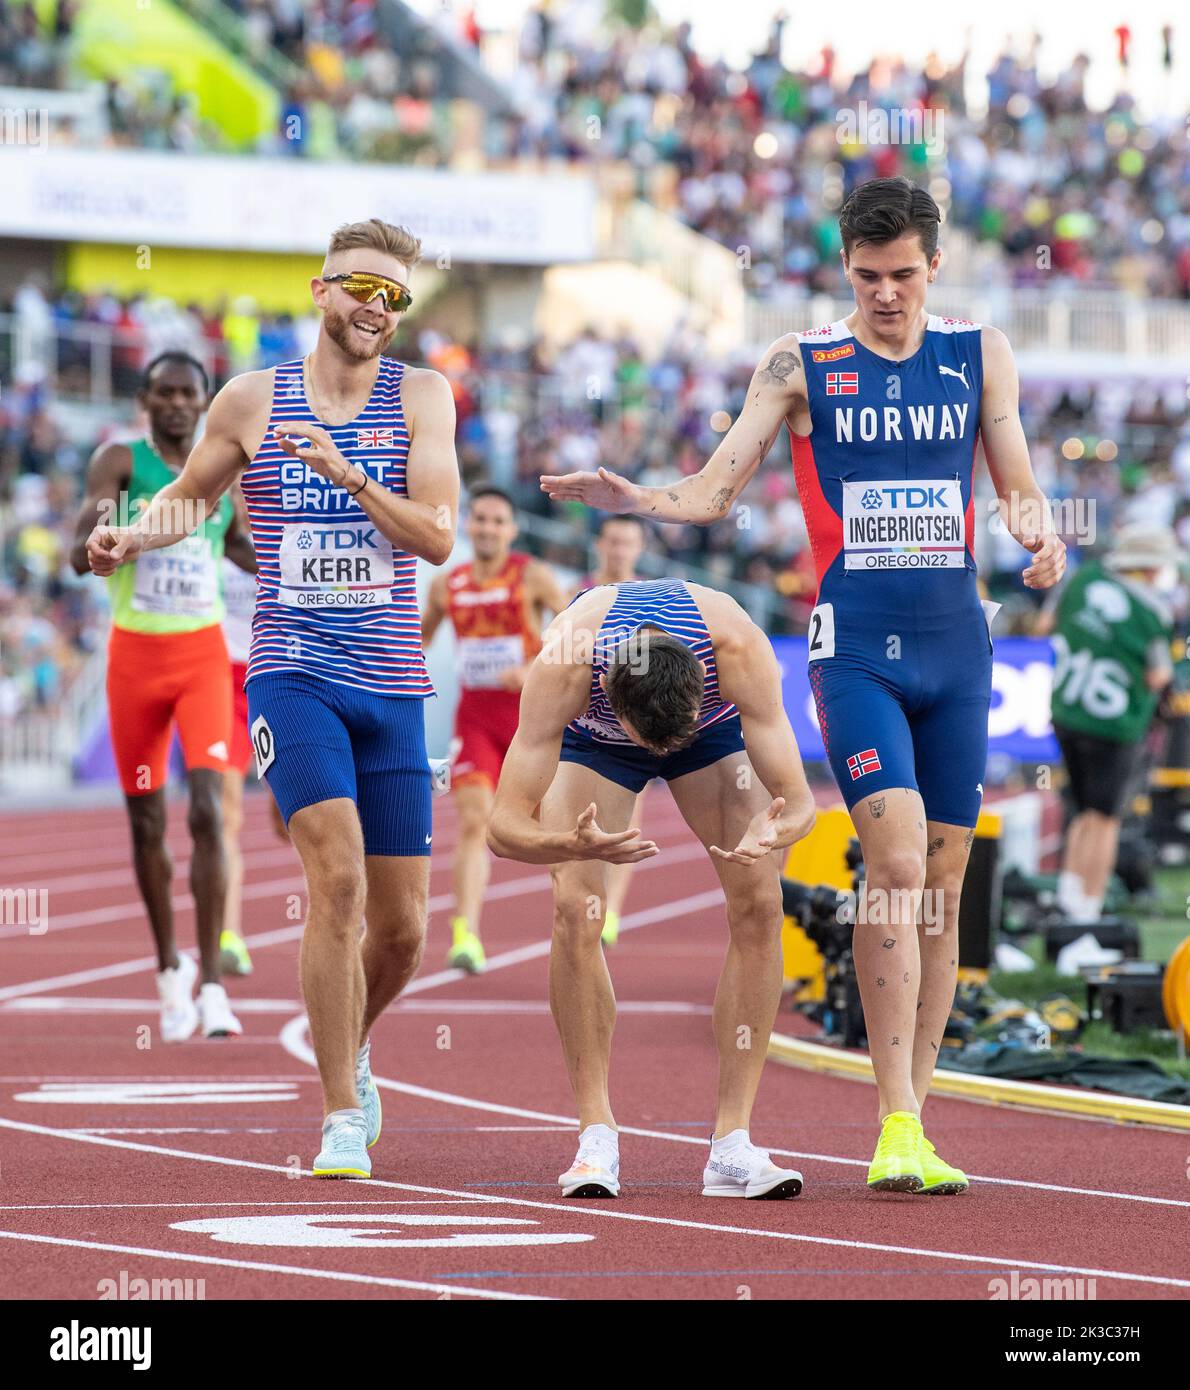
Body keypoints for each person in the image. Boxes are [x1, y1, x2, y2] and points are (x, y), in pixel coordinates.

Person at [541, 176, 1067, 1195]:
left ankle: (916, 1121)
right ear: (844, 269)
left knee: (944, 881)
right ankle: (893, 1115)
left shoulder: (979, 354)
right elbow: (714, 489)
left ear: (934, 265)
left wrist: (1040, 537)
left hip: (960, 646)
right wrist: (637, 496)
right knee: (896, 859)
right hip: (856, 647)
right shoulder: (801, 363)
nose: (885, 294)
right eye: (867, 277)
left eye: (902, 275)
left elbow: (1017, 487)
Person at [86, 218, 460, 1179]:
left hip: (394, 686)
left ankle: (350, 1041)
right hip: (291, 673)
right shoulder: (253, 398)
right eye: (361, 288)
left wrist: (348, 475)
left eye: (394, 296)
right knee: (336, 882)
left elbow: (436, 536)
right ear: (320, 290)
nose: (377, 308)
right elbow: (192, 494)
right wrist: (132, 535)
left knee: (404, 932)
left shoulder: (422, 396)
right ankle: (340, 1116)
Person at [487, 578, 816, 1199]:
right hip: (596, 743)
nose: (663, 754)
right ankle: (596, 1136)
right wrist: (570, 845)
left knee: (761, 903)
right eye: (653, 741)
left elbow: (800, 803)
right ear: (614, 697)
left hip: (712, 735)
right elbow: (503, 829)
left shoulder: (737, 646)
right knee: (576, 907)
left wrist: (775, 830)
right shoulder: (567, 662)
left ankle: (732, 1143)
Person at [70, 351, 255, 1043]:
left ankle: (213, 985)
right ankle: (169, 969)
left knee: (208, 809)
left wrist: (302, 576)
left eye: (189, 394)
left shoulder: (220, 471)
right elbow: (80, 544)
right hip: (135, 664)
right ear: (146, 401)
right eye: (165, 393)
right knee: (147, 822)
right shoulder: (121, 463)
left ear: (205, 402)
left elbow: (239, 547)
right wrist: (101, 542)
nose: (177, 404)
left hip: (202, 658)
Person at [421, 485, 568, 973]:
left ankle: (574, 924)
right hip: (476, 720)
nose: (487, 528)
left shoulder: (533, 576)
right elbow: (417, 639)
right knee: (473, 821)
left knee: (553, 828)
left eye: (497, 520)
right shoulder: (448, 584)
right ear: (469, 524)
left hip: (532, 721)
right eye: (480, 518)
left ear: (512, 529)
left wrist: (533, 667)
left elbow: (574, 633)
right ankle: (465, 933)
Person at [1041, 523, 1177, 922]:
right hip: (1114, 726)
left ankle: (1068, 897)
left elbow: (1044, 626)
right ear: (1152, 566)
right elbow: (1158, 675)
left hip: (1067, 711)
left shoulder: (1082, 578)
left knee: (1082, 811)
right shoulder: (1152, 610)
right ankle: (1087, 910)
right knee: (1105, 819)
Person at [570, 514, 647, 947]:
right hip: (586, 721)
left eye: (627, 542)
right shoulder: (578, 593)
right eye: (613, 541)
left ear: (638, 549)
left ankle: (612, 910)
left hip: (634, 722)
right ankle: (584, 899)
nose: (619, 550)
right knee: (582, 813)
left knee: (627, 814)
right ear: (600, 544)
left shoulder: (652, 596)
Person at [217, 530, 259, 977]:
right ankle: (229, 934)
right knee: (227, 813)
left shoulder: (291, 529)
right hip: (223, 681)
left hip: (281, 673)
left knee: (303, 817)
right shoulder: (212, 538)